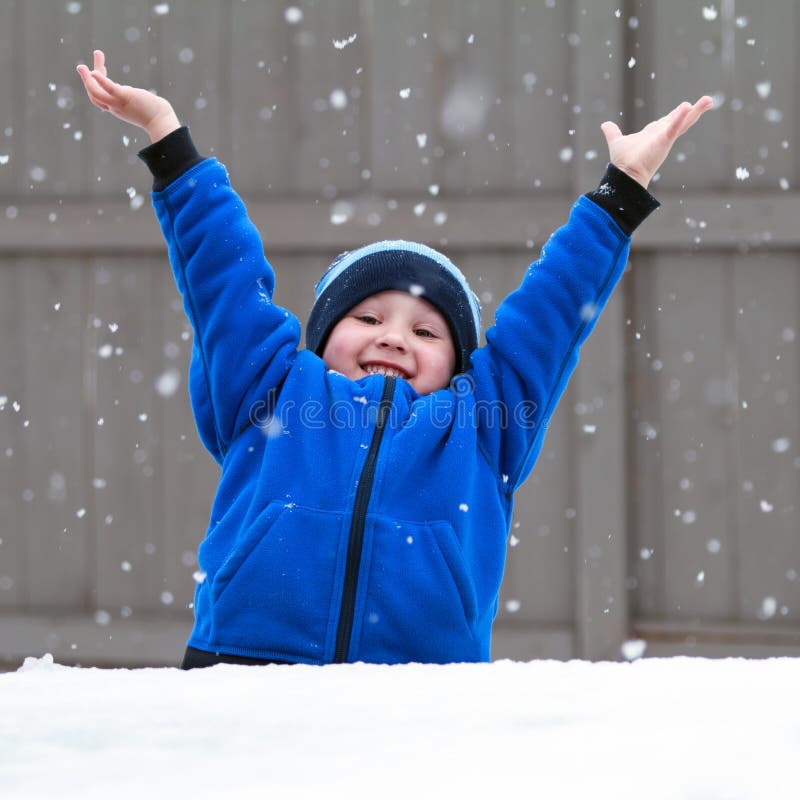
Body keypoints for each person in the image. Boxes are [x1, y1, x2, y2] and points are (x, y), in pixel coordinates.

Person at [77, 49, 712, 669]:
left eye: (427, 332)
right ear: (322, 338)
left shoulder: (483, 421)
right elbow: (223, 276)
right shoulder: (269, 388)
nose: (396, 338)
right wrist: (168, 141)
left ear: (460, 363)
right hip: (241, 667)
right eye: (368, 318)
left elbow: (549, 312)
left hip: (420, 694)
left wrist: (620, 193)